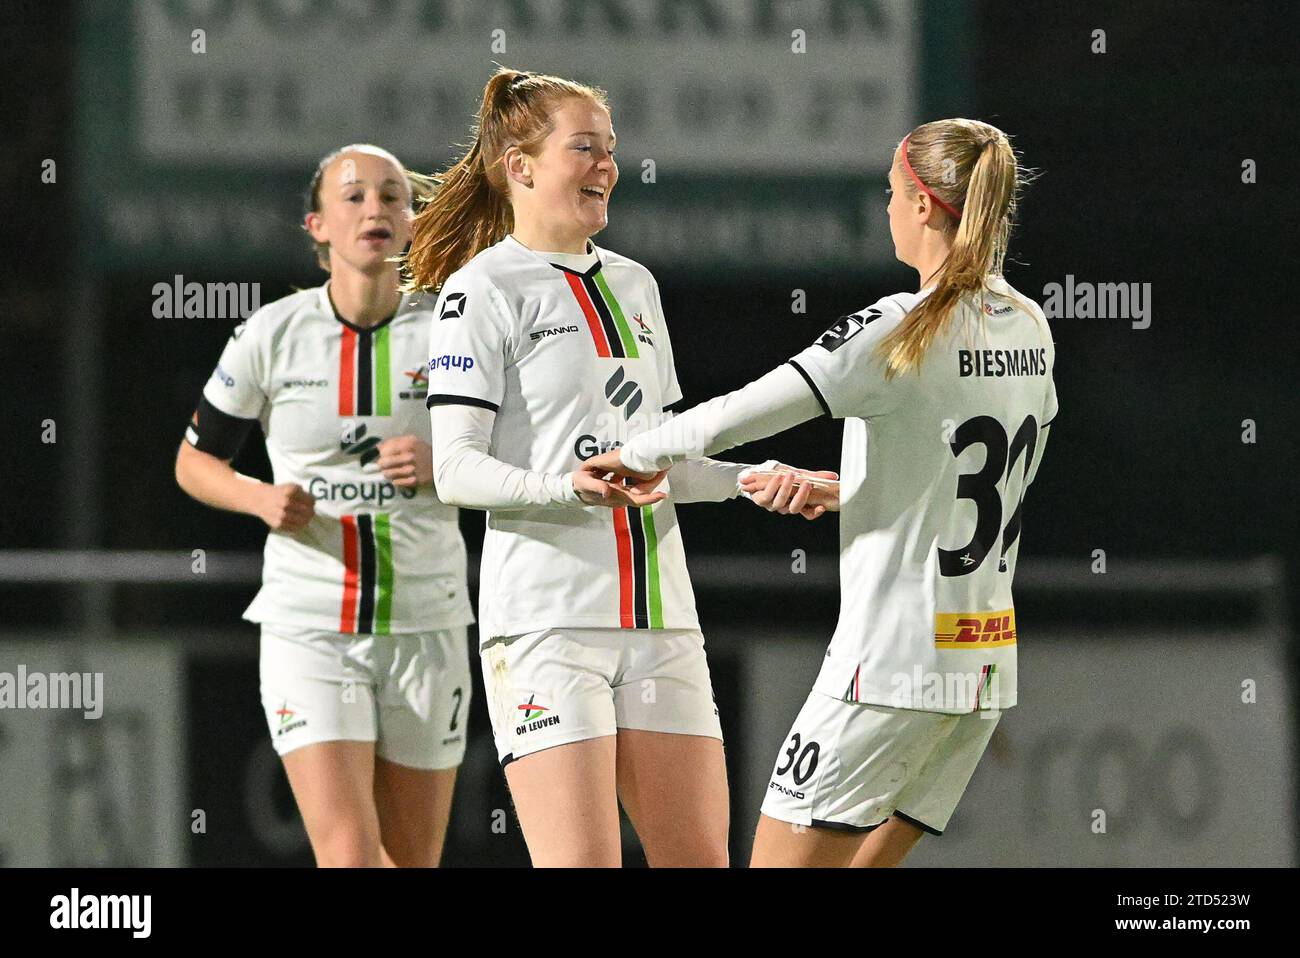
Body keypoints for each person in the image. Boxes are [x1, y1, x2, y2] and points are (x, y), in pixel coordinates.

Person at [585, 118, 1055, 867]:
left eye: (893, 194)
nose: (888, 208)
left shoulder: (899, 327)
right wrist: (852, 493)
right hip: (981, 667)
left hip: (889, 665)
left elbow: (741, 411)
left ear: (925, 205)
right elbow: (975, 477)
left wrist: (635, 451)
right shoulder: (1030, 324)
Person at [407, 67, 822, 867]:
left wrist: (758, 479)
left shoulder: (635, 284)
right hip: (547, 628)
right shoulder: (480, 291)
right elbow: (456, 471)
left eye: (613, 149)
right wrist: (566, 488)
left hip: (663, 620)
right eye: (585, 148)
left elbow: (660, 461)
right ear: (520, 167)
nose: (608, 165)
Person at [175, 144, 474, 867]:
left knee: (410, 860)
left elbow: (525, 456)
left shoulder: (456, 329)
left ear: (411, 223)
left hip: (427, 624)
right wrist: (257, 496)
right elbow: (193, 460)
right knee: (346, 855)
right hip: (310, 626)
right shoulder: (271, 334)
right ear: (316, 225)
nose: (375, 208)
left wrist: (445, 466)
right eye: (354, 196)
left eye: (393, 197)